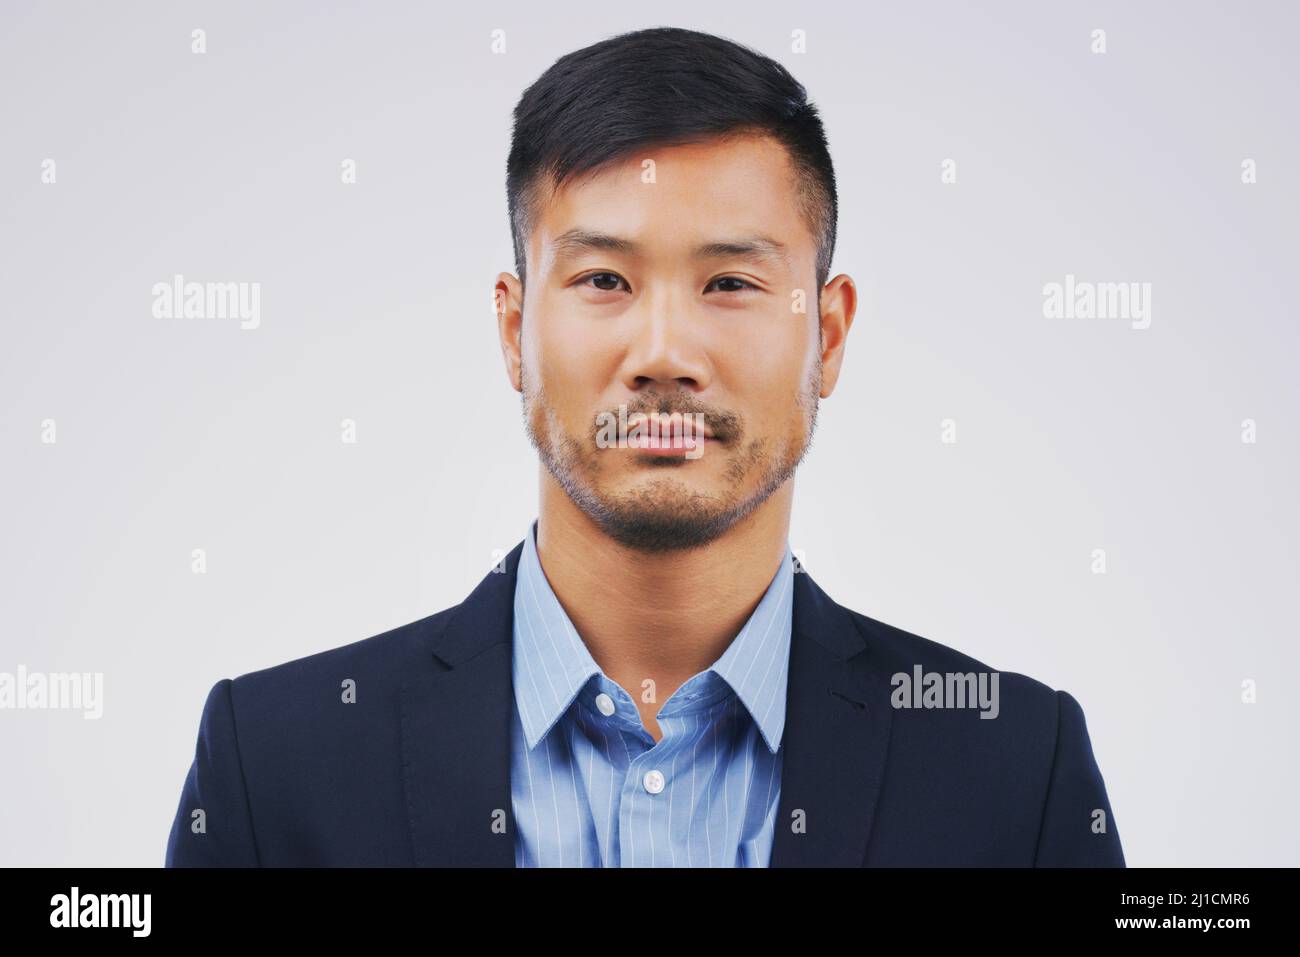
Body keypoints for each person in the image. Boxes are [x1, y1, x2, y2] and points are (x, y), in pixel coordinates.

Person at [166, 26, 1124, 867]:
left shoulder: (1014, 770)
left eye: (731, 283)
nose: (664, 354)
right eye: (604, 280)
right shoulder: (275, 765)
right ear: (514, 330)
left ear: (828, 336)